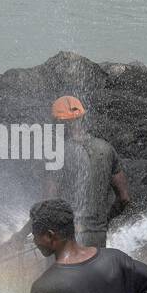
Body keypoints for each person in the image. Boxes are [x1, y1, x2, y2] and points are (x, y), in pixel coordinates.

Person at [46, 95, 131, 248]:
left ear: (59, 124)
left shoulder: (57, 154)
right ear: (82, 118)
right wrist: (103, 222)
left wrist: (19, 236)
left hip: (68, 239)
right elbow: (124, 198)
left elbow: (48, 205)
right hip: (97, 237)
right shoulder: (106, 148)